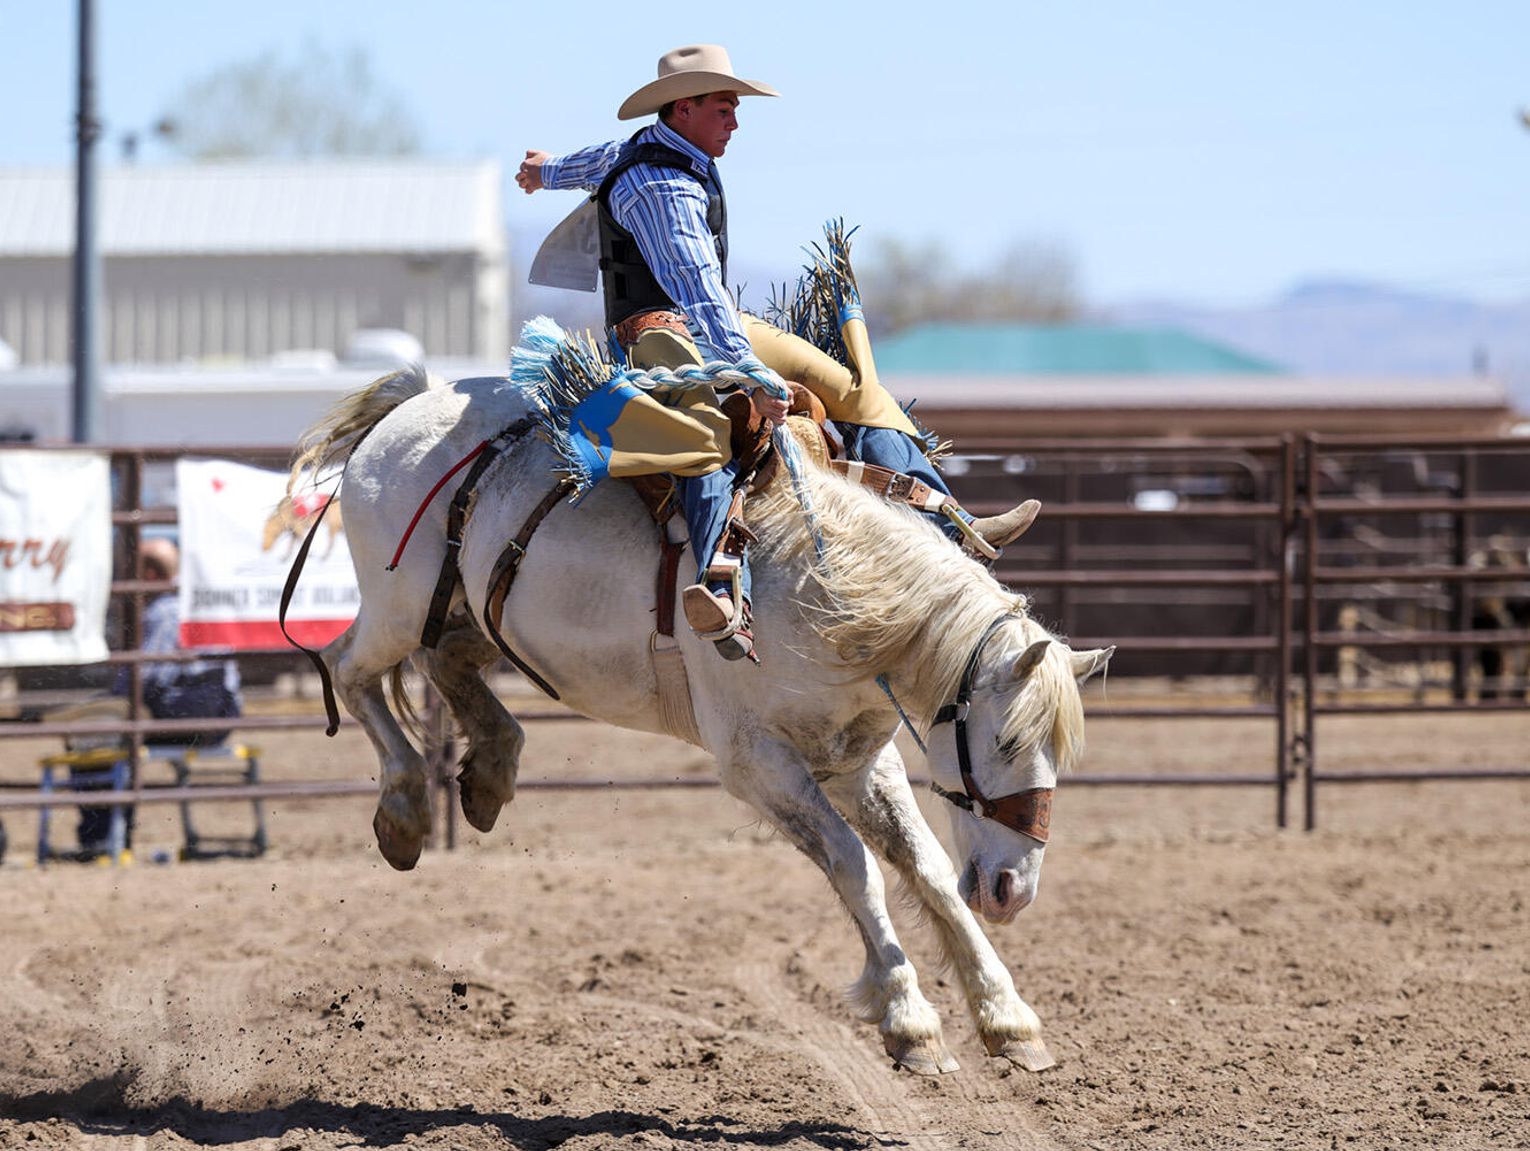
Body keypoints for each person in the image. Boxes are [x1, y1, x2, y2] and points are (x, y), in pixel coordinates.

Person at [518, 44, 1037, 660]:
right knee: (704, 436)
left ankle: (944, 522)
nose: (735, 123)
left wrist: (543, 170)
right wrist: (749, 373)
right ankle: (718, 586)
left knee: (850, 387)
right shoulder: (664, 188)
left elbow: (584, 163)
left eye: (734, 109)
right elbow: (699, 289)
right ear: (684, 109)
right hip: (658, 331)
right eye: (723, 109)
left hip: (705, 320)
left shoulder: (648, 149)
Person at [75, 537, 243, 857]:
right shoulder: (203, 601)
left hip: (186, 717)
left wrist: (103, 702)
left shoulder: (164, 610)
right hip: (222, 715)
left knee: (97, 739)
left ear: (150, 574)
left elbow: (142, 676)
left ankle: (101, 837)